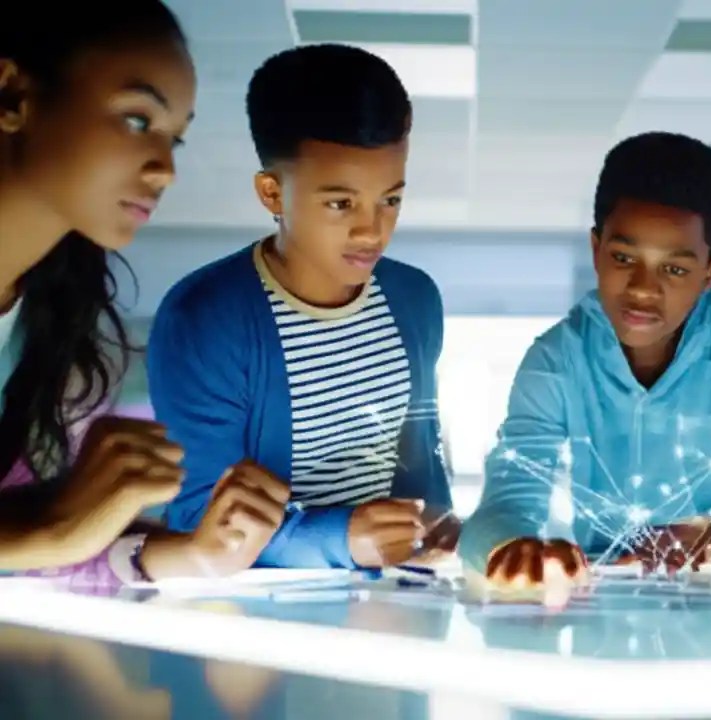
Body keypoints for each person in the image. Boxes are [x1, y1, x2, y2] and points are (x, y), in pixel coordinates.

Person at [459, 132, 711, 605]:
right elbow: (501, 509)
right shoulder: (557, 358)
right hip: (604, 618)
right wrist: (510, 547)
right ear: (596, 250)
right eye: (623, 258)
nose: (642, 290)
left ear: (709, 272)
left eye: (674, 269)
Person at [0, 2, 288, 588]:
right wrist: (55, 527)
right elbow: (42, 539)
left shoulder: (42, 311)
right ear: (12, 96)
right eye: (137, 120)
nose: (165, 169)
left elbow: (32, 548)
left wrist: (197, 552)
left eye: (175, 140)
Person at [148, 44, 455, 571]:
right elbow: (199, 520)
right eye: (341, 203)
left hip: (399, 602)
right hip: (259, 621)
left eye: (390, 199)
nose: (371, 229)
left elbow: (421, 463)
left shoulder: (415, 299)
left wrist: (448, 529)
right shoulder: (203, 319)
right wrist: (341, 538)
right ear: (272, 193)